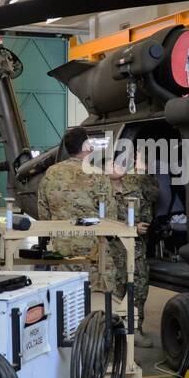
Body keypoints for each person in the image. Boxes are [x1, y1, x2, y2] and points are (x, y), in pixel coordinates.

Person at [103, 150, 159, 346]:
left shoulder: (133, 184)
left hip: (134, 250)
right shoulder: (101, 190)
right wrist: (131, 227)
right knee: (112, 292)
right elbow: (100, 220)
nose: (115, 168)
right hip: (109, 251)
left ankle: (135, 329)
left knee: (139, 289)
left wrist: (143, 172)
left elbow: (152, 196)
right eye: (110, 164)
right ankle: (110, 330)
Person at [37, 127, 107, 275]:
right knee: (91, 291)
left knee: (64, 290)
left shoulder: (51, 172)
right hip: (91, 248)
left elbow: (43, 211)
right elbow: (109, 213)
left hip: (61, 246)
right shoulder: (97, 174)